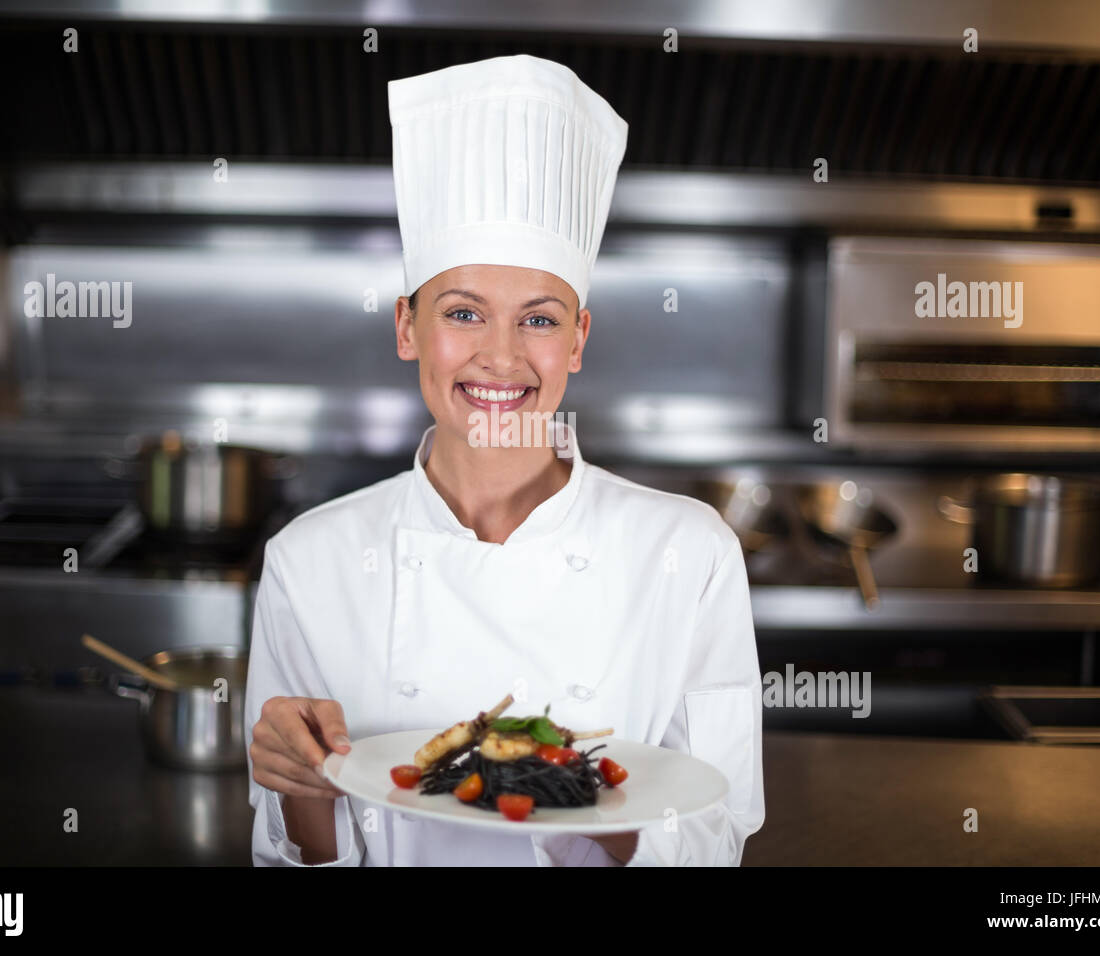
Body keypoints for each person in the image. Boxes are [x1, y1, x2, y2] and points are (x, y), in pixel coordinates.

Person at [245, 54, 764, 866]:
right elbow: (290, 861)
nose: (499, 357)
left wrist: (575, 789)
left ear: (579, 341)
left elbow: (716, 832)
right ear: (407, 328)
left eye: (539, 319)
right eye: (462, 312)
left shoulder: (688, 554)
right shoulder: (309, 561)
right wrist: (298, 790)